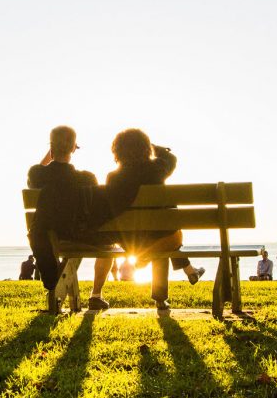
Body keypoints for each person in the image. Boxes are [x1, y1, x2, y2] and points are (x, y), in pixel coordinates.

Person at [100, 128, 203, 311]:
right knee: (165, 233)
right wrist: (157, 148)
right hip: (161, 237)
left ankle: (146, 259)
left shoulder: (113, 177)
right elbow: (171, 160)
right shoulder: (157, 169)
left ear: (117, 150)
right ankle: (161, 299)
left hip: (132, 242)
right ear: (146, 148)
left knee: (160, 234)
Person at [27, 125, 107, 312]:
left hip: (48, 239)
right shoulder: (87, 178)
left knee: (43, 231)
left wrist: (51, 152)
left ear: (51, 147)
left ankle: (54, 284)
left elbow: (36, 176)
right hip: (79, 237)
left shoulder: (37, 174)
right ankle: (96, 294)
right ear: (73, 148)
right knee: (106, 244)